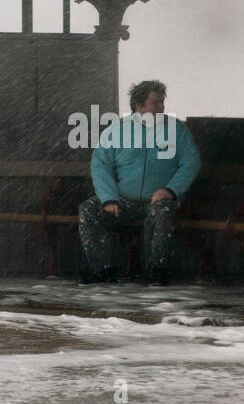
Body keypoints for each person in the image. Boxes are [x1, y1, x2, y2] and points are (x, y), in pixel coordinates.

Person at [78, 80, 201, 285]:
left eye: (162, 102)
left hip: (159, 200)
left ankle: (156, 271)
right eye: (156, 103)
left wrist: (170, 190)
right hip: (123, 201)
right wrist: (109, 197)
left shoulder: (176, 129)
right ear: (139, 106)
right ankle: (102, 270)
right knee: (88, 209)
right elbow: (100, 164)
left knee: (161, 211)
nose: (162, 107)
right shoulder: (117, 130)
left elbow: (192, 161)